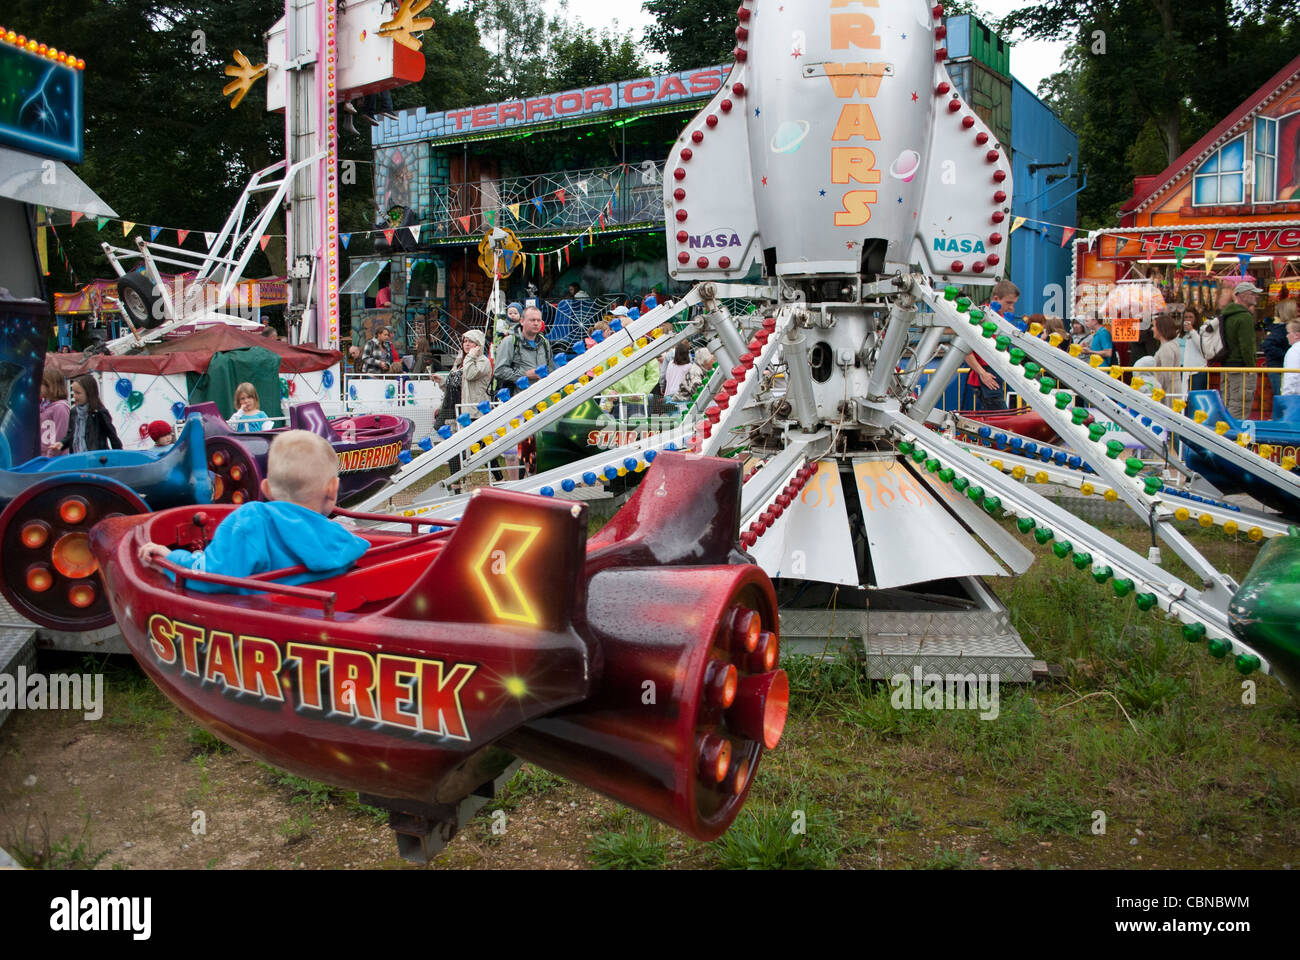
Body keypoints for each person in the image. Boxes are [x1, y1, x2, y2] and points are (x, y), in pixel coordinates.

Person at [136, 430, 369, 593]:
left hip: (258, 632)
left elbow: (212, 575)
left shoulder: (251, 521)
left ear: (264, 488)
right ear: (333, 489)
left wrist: (171, 556)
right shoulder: (342, 540)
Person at [963, 280, 1019, 410]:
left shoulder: (1002, 319)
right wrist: (982, 373)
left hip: (995, 371)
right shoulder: (981, 317)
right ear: (996, 299)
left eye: (1013, 303)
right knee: (999, 414)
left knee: (997, 414)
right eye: (1008, 303)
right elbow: (965, 350)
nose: (1011, 308)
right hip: (986, 374)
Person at [1218, 281, 1262, 420]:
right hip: (1241, 368)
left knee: (1227, 403)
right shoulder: (1244, 316)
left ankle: (1221, 435)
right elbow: (1247, 345)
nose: (1256, 297)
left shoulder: (1226, 315)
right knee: (1239, 406)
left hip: (1226, 366)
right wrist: (1251, 367)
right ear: (1242, 295)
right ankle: (1231, 439)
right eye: (1253, 294)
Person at [52, 375, 121, 454]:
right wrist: (62, 443)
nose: (74, 396)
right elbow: (71, 434)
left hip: (96, 458)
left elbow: (112, 435)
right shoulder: (74, 412)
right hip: (77, 457)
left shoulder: (99, 412)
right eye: (73, 392)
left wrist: (119, 455)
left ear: (89, 393)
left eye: (78, 393)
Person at [495, 306, 552, 395]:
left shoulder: (545, 343)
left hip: (542, 399)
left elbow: (550, 369)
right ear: (522, 321)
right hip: (519, 399)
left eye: (539, 320)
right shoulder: (510, 341)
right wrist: (525, 374)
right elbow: (499, 371)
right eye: (532, 320)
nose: (536, 323)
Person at [1262, 299, 1297, 403]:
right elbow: (1267, 344)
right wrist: (1286, 355)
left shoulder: (1280, 328)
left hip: (1280, 367)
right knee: (1282, 397)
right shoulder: (1281, 329)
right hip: (1278, 368)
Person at [1150, 312, 1182, 403]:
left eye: (1154, 326)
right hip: (1170, 389)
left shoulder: (1167, 348)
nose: (1152, 329)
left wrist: (1157, 392)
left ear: (1161, 328)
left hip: (1168, 391)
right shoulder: (1171, 345)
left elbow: (1166, 374)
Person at [39, 367, 70, 458]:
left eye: (41, 384)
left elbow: (61, 435)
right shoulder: (43, 406)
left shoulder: (60, 408)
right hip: (42, 457)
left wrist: (50, 456)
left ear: (51, 385)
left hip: (54, 460)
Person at [457, 329, 493, 409]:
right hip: (465, 409)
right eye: (465, 341)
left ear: (478, 345)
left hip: (478, 411)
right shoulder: (465, 360)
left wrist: (470, 356)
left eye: (471, 341)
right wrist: (441, 381)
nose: (467, 344)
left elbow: (470, 375)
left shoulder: (483, 361)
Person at [1178, 308, 1209, 393]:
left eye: (1191, 317)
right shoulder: (1179, 333)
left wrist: (1192, 331)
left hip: (1198, 370)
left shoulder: (1202, 331)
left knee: (1195, 396)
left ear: (1196, 318)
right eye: (1186, 317)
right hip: (1183, 370)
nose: (1188, 320)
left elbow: (1202, 347)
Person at [1282, 319, 1300, 396]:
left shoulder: (1294, 351)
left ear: (1297, 335)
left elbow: (1291, 376)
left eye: (1288, 333)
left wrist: (1286, 395)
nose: (1287, 336)